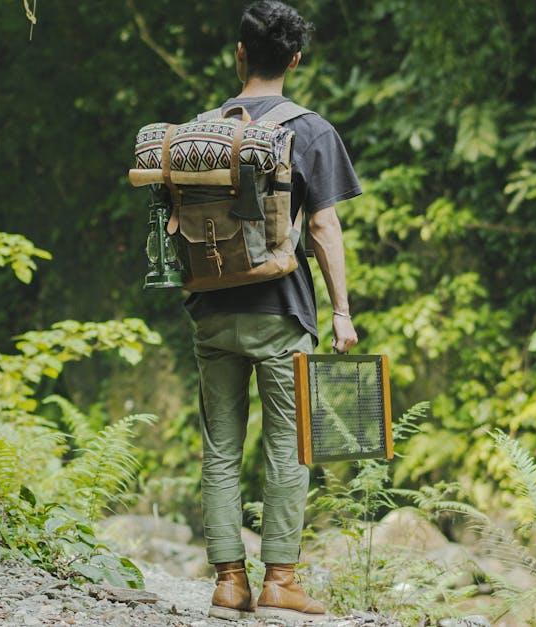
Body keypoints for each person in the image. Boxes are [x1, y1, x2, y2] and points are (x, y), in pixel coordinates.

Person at [184, 1, 361, 622]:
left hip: (209, 309)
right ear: (294, 59)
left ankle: (229, 581)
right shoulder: (309, 129)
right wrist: (341, 310)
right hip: (281, 312)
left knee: (220, 446)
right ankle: (280, 578)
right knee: (289, 446)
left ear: (239, 53)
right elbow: (322, 225)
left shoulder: (200, 130)